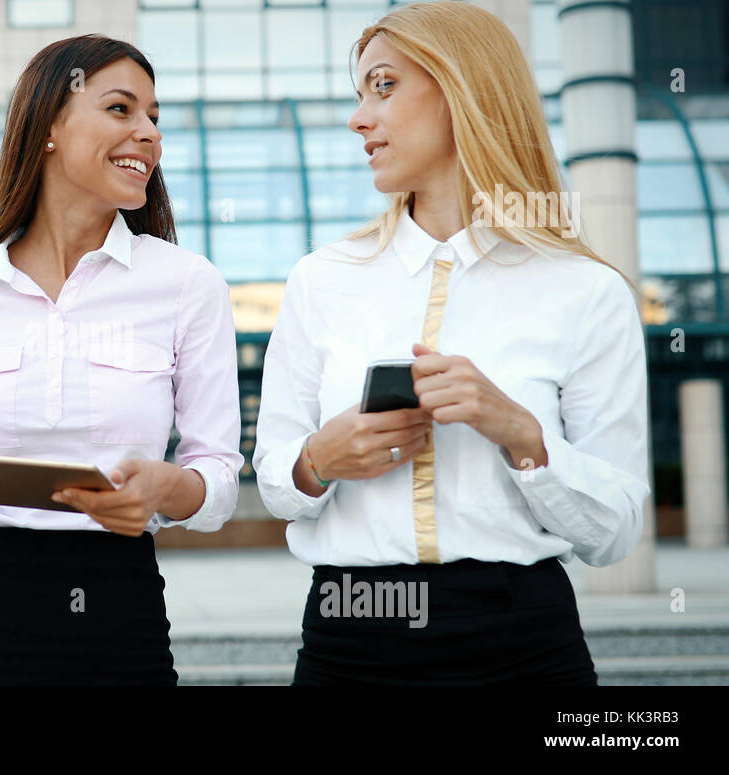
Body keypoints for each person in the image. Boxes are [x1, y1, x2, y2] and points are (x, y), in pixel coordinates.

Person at [252, 1, 650, 685]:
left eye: (383, 86)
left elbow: (613, 532)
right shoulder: (321, 280)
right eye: (360, 94)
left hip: (522, 642)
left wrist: (520, 433)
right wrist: (320, 457)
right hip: (351, 637)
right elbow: (274, 480)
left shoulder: (587, 291)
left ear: (462, 87)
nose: (358, 118)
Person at [0, 34, 243, 686]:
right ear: (49, 125)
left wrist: (168, 488)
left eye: (154, 118)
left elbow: (216, 473)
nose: (148, 133)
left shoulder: (189, 284)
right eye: (121, 109)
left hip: (116, 602)